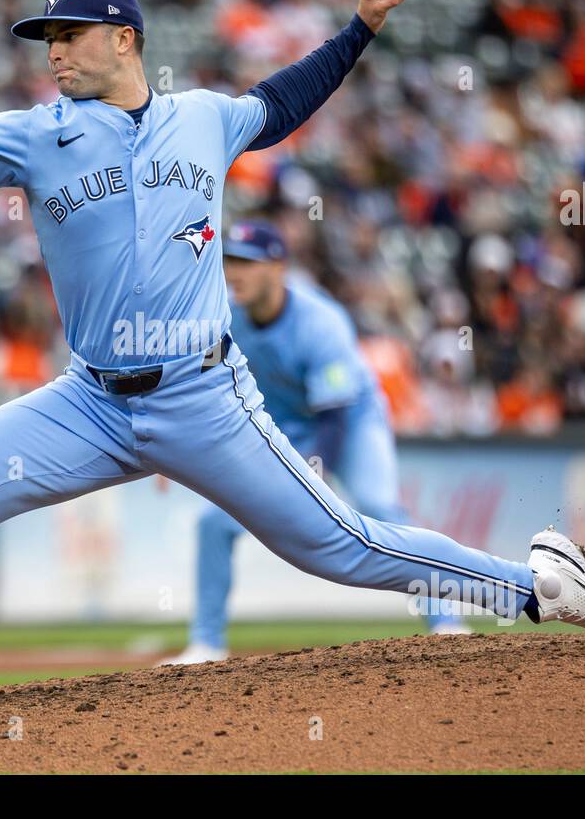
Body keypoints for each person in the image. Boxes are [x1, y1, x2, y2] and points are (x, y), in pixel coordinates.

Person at [0, 0, 585, 727]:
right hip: (89, 402)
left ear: (124, 40)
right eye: (45, 38)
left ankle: (539, 587)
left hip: (204, 397)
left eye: (69, 35)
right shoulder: (32, 134)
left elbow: (284, 100)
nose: (53, 52)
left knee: (342, 547)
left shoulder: (203, 119)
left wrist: (361, 31)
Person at [160, 222, 467, 666]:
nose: (235, 272)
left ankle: (446, 622)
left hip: (351, 417)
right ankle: (207, 643)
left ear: (279, 267)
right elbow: (199, 375)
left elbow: (335, 418)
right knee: (214, 523)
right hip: (281, 423)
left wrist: (311, 475)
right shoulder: (224, 317)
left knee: (380, 505)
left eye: (248, 261)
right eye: (230, 261)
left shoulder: (320, 322)